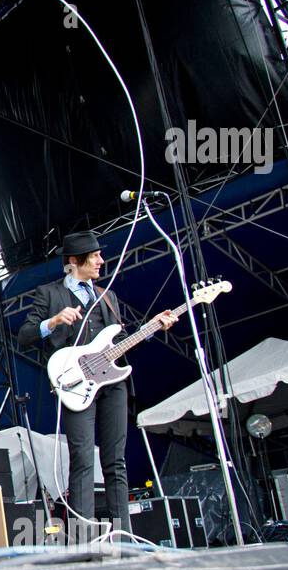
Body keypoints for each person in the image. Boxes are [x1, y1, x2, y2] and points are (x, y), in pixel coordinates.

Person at [17, 231, 178, 540]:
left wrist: (151, 328)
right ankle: (83, 538)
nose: (102, 261)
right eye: (95, 257)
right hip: (77, 387)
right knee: (82, 460)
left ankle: (124, 536)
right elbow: (24, 336)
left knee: (115, 460)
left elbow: (120, 342)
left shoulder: (107, 296)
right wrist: (52, 322)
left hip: (112, 385)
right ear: (75, 262)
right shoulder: (49, 294)